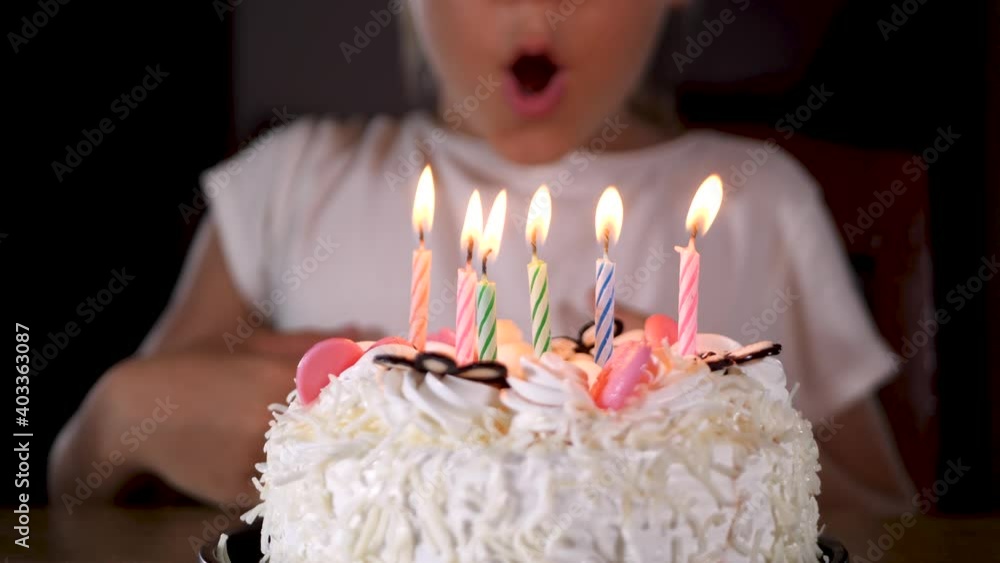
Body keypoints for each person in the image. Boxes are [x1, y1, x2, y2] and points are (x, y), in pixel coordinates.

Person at [50, 0, 913, 514]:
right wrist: (128, 410)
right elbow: (71, 499)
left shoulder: (758, 203)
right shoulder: (292, 184)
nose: (535, 9)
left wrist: (713, 431)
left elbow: (888, 516)